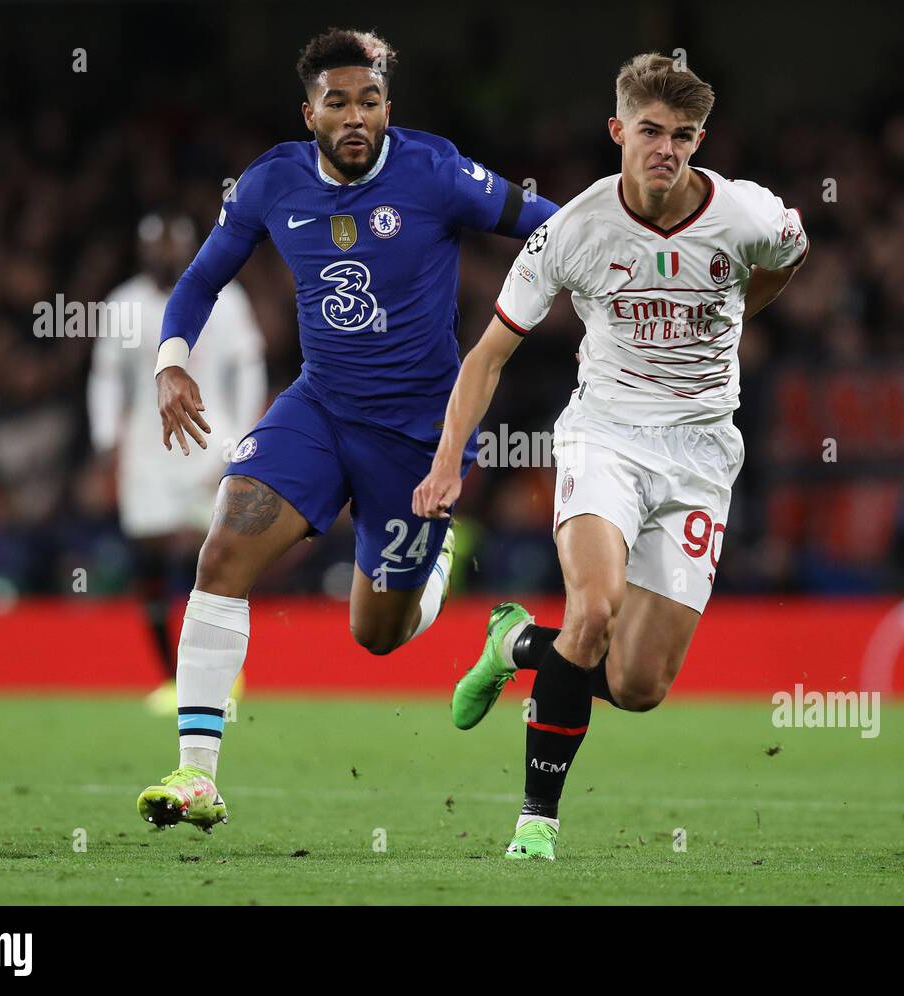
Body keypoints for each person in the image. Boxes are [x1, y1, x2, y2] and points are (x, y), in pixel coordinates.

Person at [137, 28, 558, 832]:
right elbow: (199, 280)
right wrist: (170, 361)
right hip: (320, 407)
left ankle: (439, 574)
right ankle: (197, 777)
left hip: (416, 435)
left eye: (370, 101)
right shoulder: (269, 184)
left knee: (377, 634)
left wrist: (634, 251)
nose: (356, 116)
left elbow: (553, 226)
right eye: (338, 103)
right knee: (221, 552)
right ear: (311, 113)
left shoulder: (436, 172)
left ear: (388, 108)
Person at [414, 53, 808, 860]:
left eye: (684, 135)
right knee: (593, 611)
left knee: (638, 686)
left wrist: (736, 305)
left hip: (701, 454)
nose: (666, 148)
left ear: (701, 139)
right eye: (651, 131)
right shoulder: (574, 230)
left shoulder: (746, 215)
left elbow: (789, 255)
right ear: (617, 130)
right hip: (608, 439)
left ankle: (516, 645)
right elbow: (487, 355)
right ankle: (536, 822)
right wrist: (448, 461)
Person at [88, 212, 266, 715]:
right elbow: (106, 377)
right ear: (144, 252)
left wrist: (244, 437)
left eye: (174, 247)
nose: (165, 257)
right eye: (156, 248)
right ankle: (170, 675)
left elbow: (247, 367)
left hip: (211, 443)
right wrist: (106, 438)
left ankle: (216, 671)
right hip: (147, 451)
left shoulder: (226, 301)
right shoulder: (123, 304)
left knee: (199, 557)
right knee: (149, 558)